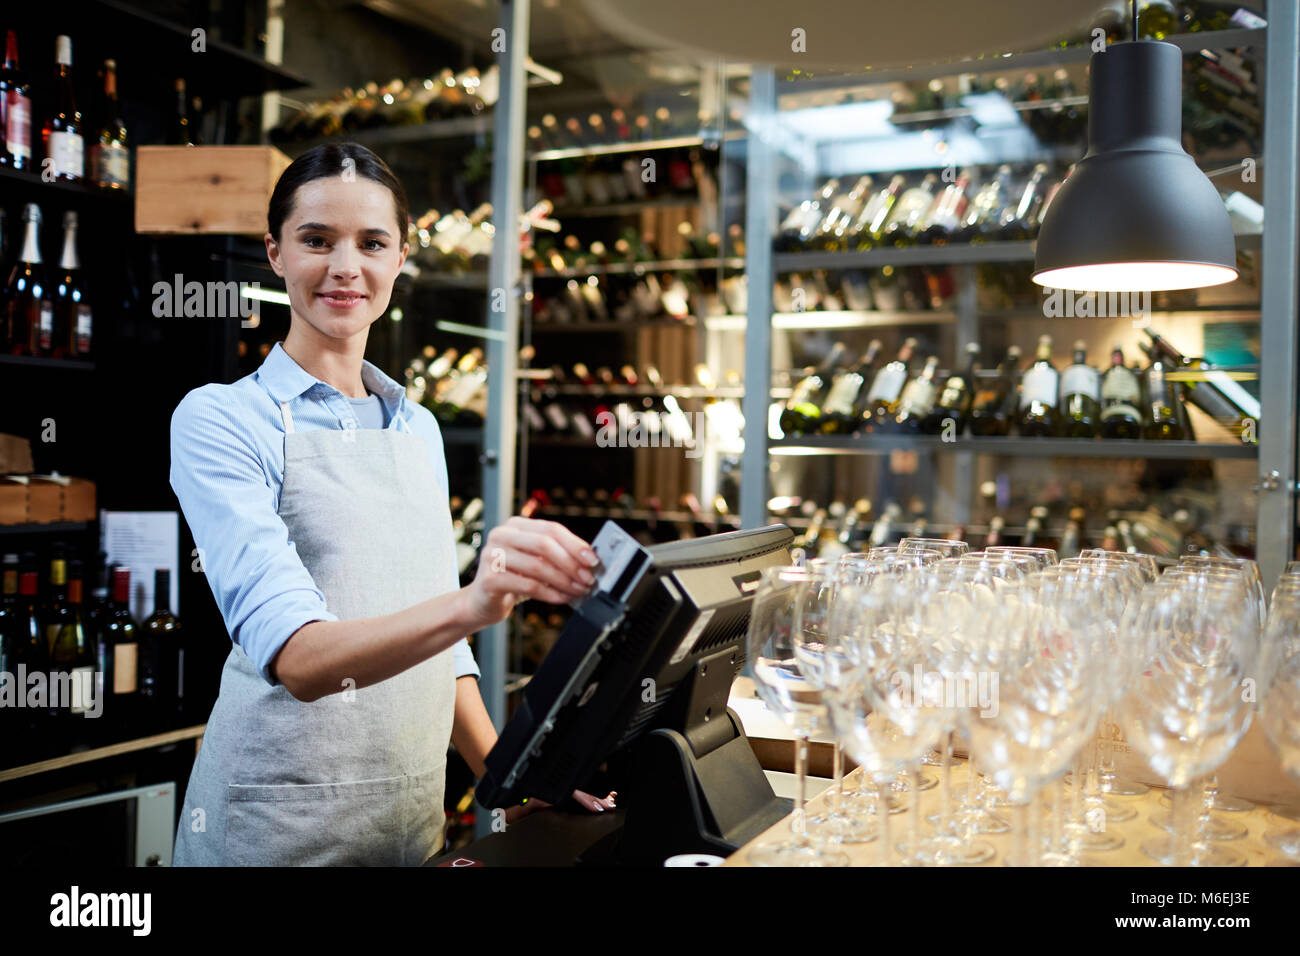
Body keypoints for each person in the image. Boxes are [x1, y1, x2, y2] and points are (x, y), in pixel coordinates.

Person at [168, 142, 614, 865]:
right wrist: (475, 601)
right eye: (317, 240)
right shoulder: (221, 420)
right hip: (276, 831)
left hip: (406, 824)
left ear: (401, 257)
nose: (346, 267)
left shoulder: (417, 427)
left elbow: (439, 639)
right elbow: (300, 660)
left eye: (372, 243)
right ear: (274, 252)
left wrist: (507, 781)